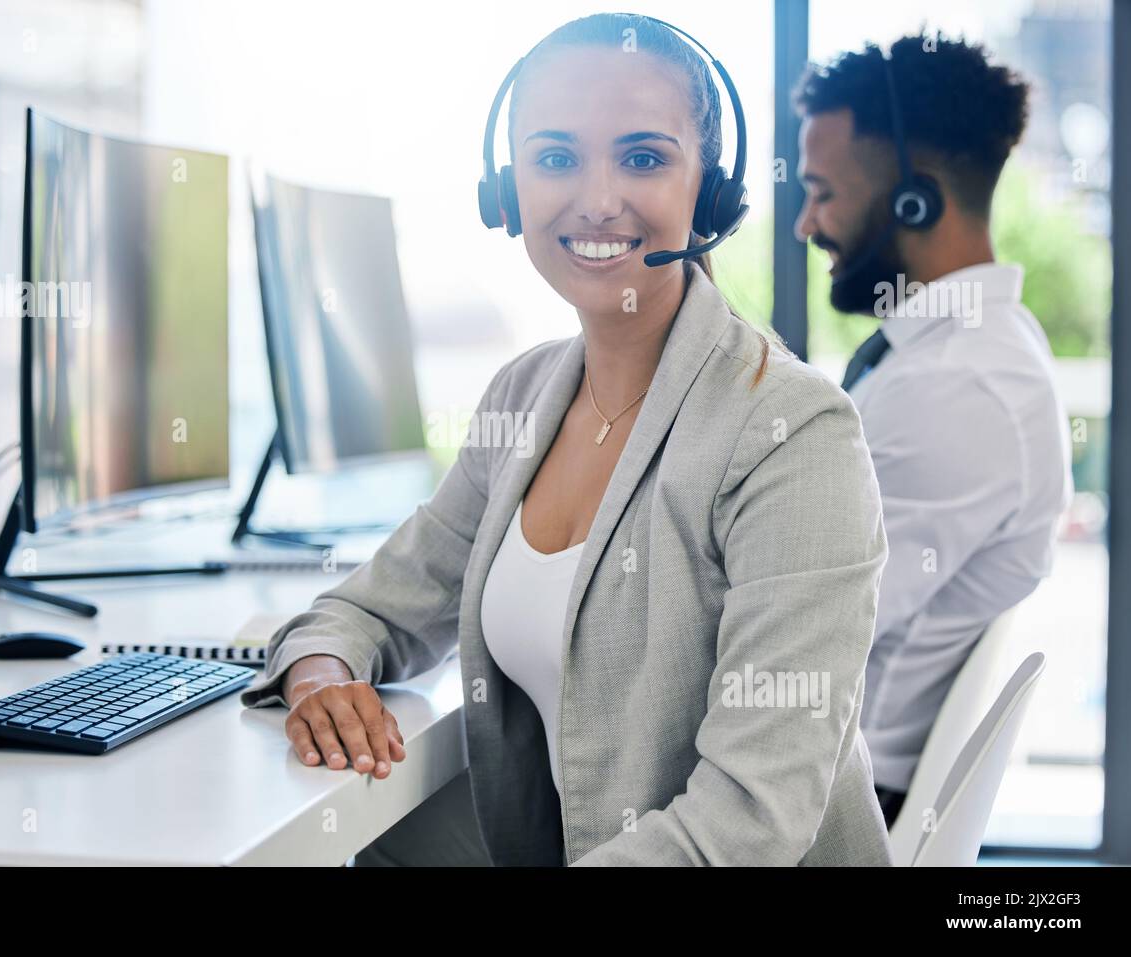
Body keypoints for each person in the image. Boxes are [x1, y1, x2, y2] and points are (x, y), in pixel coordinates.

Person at [240, 12, 892, 866]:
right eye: (555, 158)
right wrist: (322, 673)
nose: (595, 198)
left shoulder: (791, 433)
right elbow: (367, 606)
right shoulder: (525, 397)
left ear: (712, 190)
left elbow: (751, 820)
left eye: (644, 157)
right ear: (507, 191)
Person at [792, 34, 1073, 828]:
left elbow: (803, 626)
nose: (806, 223)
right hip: (830, 785)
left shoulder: (956, 389)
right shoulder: (967, 355)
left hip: (828, 814)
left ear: (916, 198)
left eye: (822, 191)